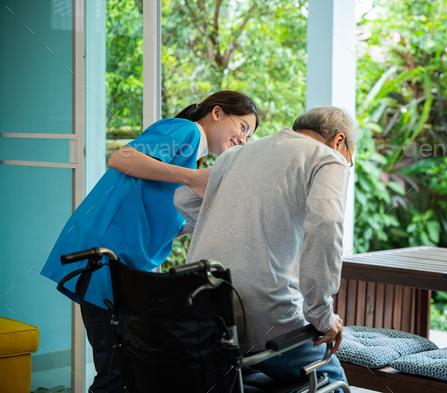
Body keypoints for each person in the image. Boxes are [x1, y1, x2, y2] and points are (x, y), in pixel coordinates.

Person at [40, 90, 259, 393]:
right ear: (217, 113)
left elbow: (158, 211)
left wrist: (201, 222)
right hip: (104, 257)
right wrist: (190, 178)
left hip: (121, 263)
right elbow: (122, 157)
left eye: (249, 137)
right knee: (115, 373)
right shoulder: (185, 131)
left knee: (124, 371)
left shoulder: (193, 161)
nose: (243, 140)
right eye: (243, 128)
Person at [174, 106, 355, 389]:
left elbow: (183, 197)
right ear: (339, 141)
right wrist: (322, 316)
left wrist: (227, 224)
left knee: (246, 381)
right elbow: (325, 227)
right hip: (265, 320)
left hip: (203, 317)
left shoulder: (236, 154)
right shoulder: (327, 158)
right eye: (350, 159)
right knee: (334, 384)